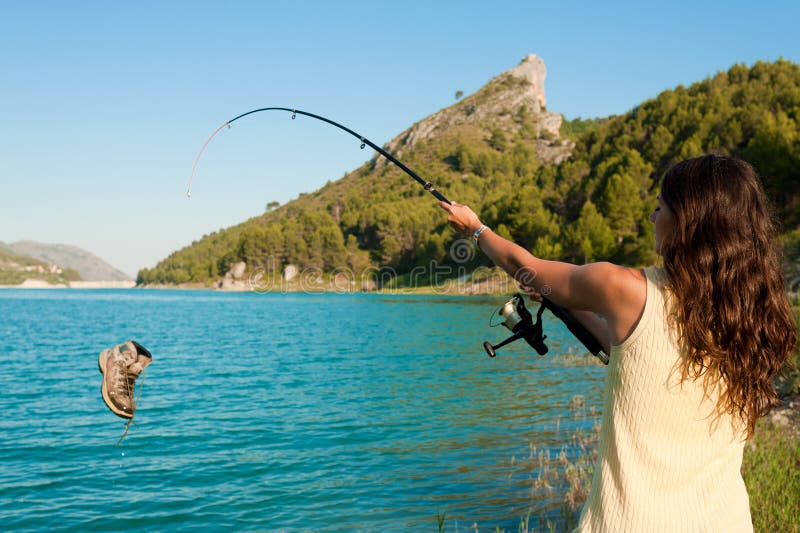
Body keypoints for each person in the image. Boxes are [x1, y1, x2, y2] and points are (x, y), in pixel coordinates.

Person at [440, 154, 796, 532]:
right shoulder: (752, 314)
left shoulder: (626, 289)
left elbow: (521, 264)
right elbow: (638, 354)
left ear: (688, 219)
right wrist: (567, 307)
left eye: (659, 206)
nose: (651, 217)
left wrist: (475, 228)